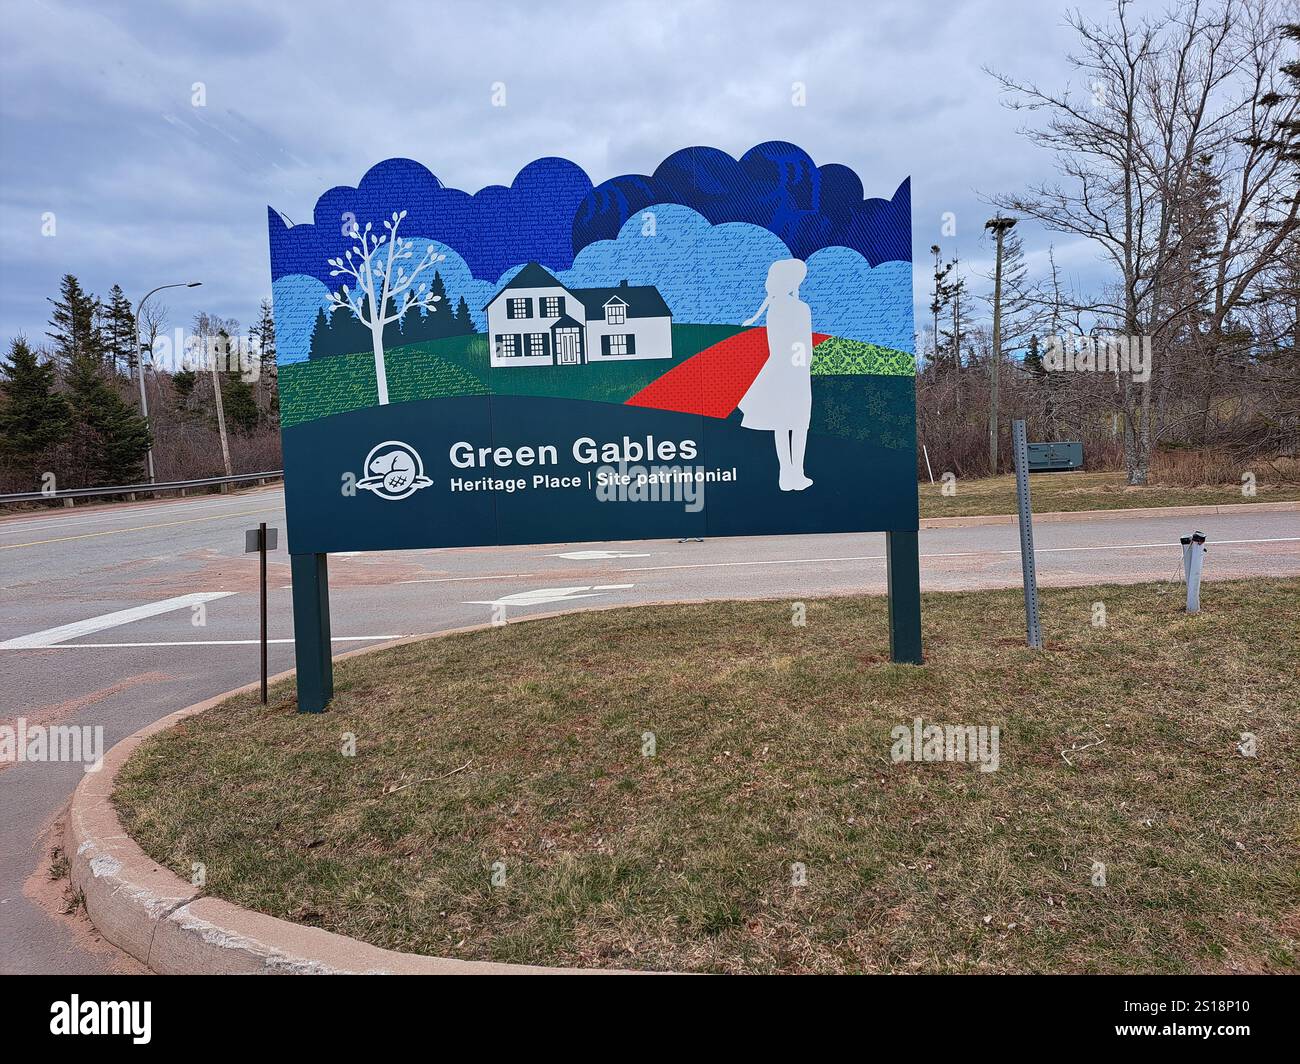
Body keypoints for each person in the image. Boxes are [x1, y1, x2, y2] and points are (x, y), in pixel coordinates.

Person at [737, 258, 814, 491]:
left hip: (784, 370)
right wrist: (800, 364)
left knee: (787, 424)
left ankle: (790, 474)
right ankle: (793, 473)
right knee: (796, 424)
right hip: (794, 372)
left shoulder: (779, 307)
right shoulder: (795, 308)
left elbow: (784, 344)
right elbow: (802, 344)